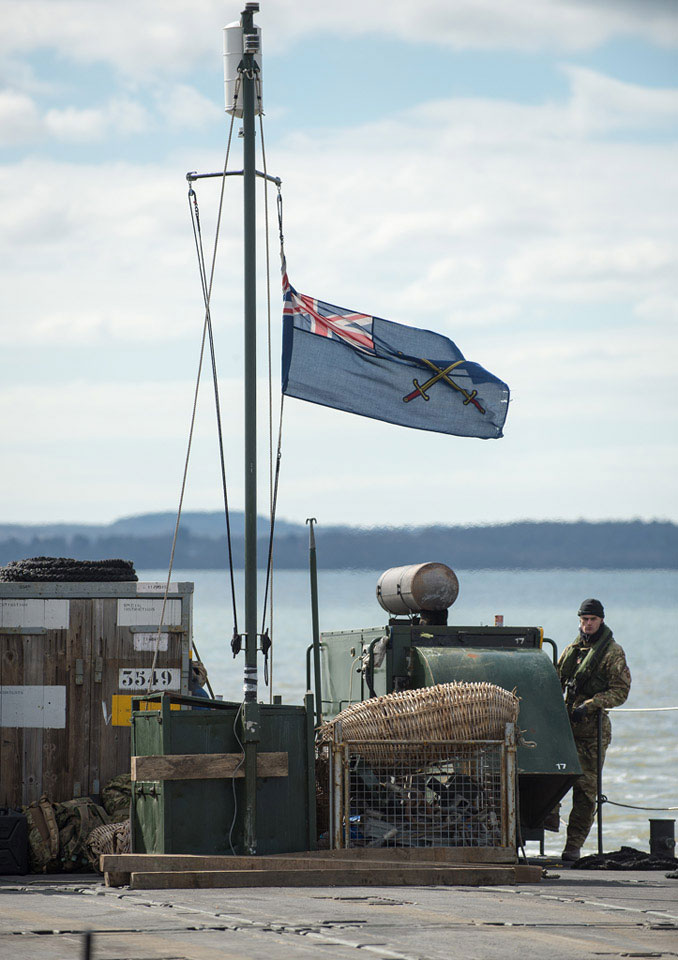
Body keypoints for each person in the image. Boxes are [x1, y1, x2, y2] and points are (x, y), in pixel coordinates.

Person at [557, 598, 631, 862]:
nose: (587, 625)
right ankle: (540, 830)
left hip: (592, 732)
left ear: (601, 620)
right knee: (550, 782)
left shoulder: (612, 652)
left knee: (586, 793)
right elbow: (556, 680)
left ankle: (573, 847)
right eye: (584, 620)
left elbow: (620, 691)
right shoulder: (572, 650)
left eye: (592, 620)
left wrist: (591, 705)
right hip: (566, 729)